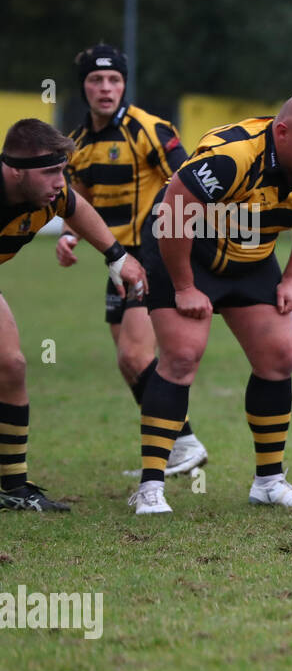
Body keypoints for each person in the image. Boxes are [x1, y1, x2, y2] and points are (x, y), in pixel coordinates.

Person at [127, 92, 292, 515]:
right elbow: (173, 214)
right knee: (183, 357)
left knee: (279, 357)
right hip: (185, 248)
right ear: (282, 132)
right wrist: (185, 286)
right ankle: (150, 487)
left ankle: (269, 483)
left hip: (250, 251)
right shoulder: (231, 159)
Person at [59, 43, 207, 476]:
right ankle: (178, 445)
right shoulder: (77, 145)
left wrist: (183, 246)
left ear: (124, 84)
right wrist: (68, 236)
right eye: (96, 80)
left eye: (114, 80)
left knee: (134, 356)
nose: (106, 88)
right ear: (84, 86)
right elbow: (77, 202)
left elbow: (190, 184)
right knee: (131, 362)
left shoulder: (149, 130)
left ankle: (184, 442)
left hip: (153, 256)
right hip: (117, 261)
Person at [0, 119, 148, 510]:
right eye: (50, 171)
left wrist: (117, 257)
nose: (59, 181)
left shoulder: (52, 193)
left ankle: (13, 488)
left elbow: (78, 209)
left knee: (10, 365)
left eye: (62, 170)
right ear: (14, 170)